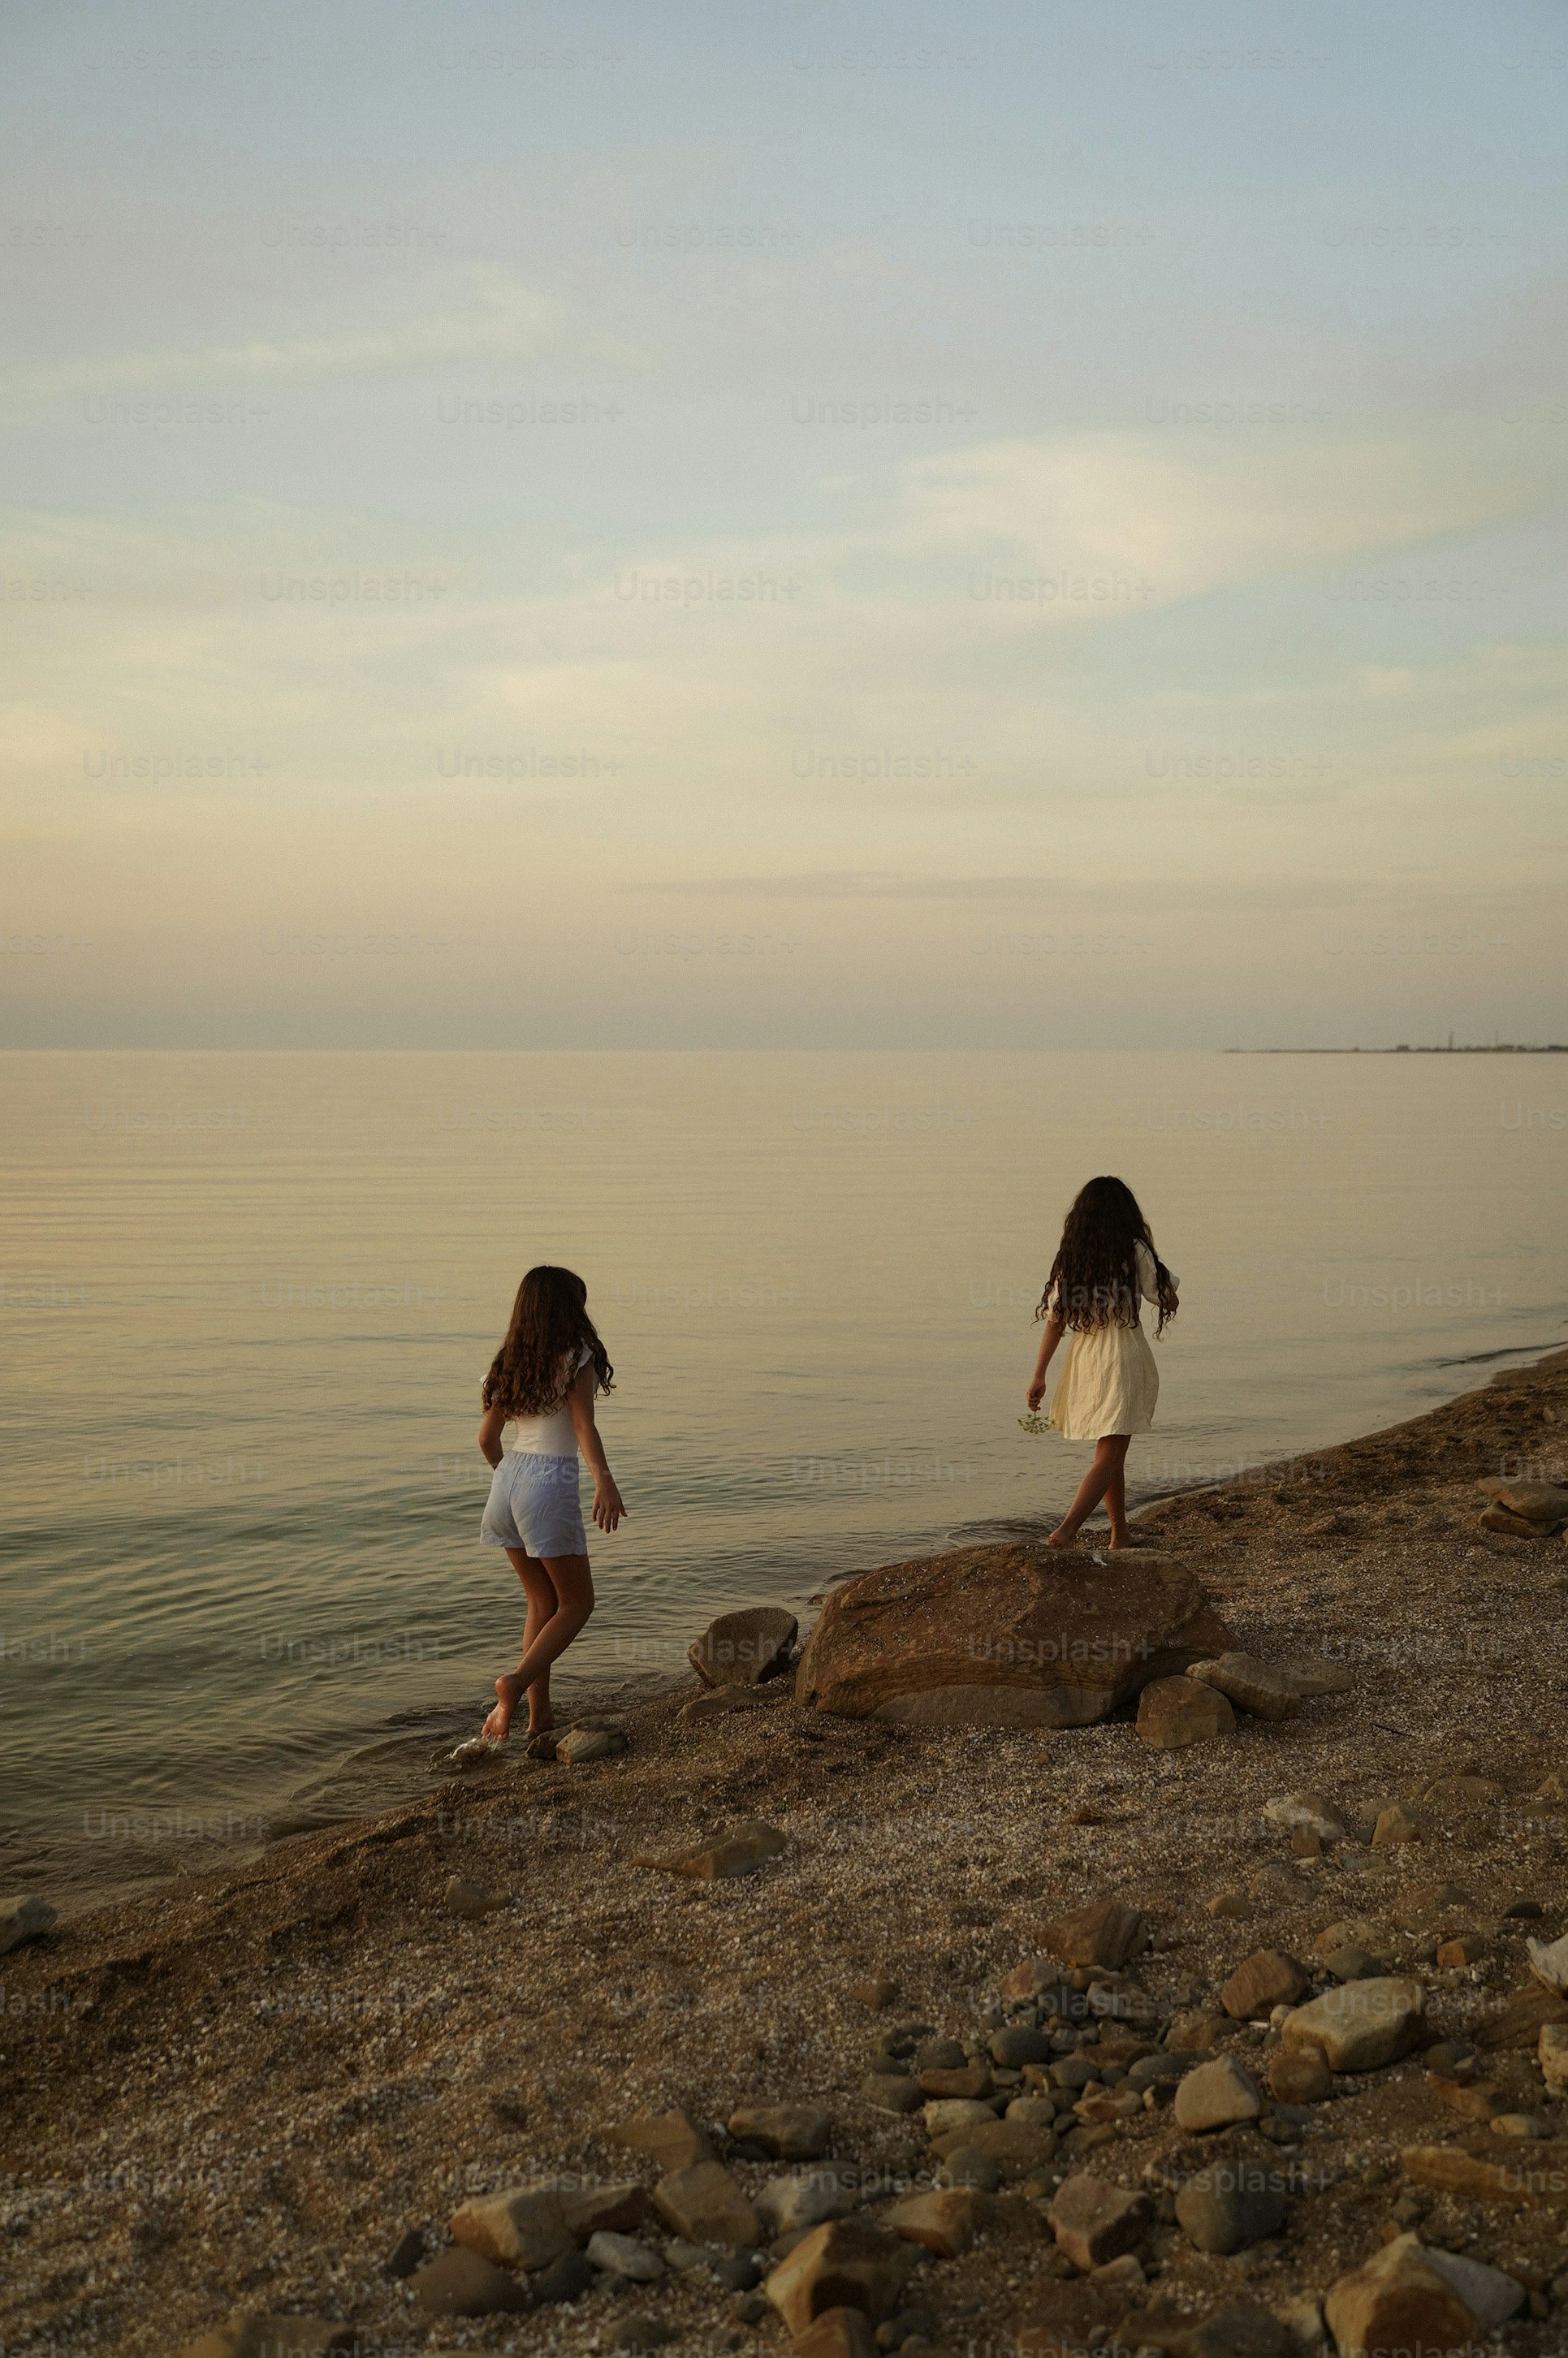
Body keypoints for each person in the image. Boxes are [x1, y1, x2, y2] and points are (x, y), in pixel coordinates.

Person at [475, 1265, 625, 1743]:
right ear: (566, 1309)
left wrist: (511, 1484)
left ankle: (540, 1721)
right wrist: (605, 1483)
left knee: (541, 1601)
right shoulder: (576, 1356)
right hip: (548, 1479)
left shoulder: (509, 1362)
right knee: (579, 1603)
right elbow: (583, 1428)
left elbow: (487, 1439)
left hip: (508, 1478)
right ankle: (514, 1684)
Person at [1025, 1176, 1178, 1550]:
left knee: (1110, 1449)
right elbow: (1167, 1301)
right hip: (1121, 1355)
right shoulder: (1134, 1248)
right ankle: (1066, 1531)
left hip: (1085, 1358)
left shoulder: (1072, 1259)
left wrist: (1039, 1375)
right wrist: (1161, 1280)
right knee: (1112, 1451)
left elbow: (1055, 1322)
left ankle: (1119, 1533)